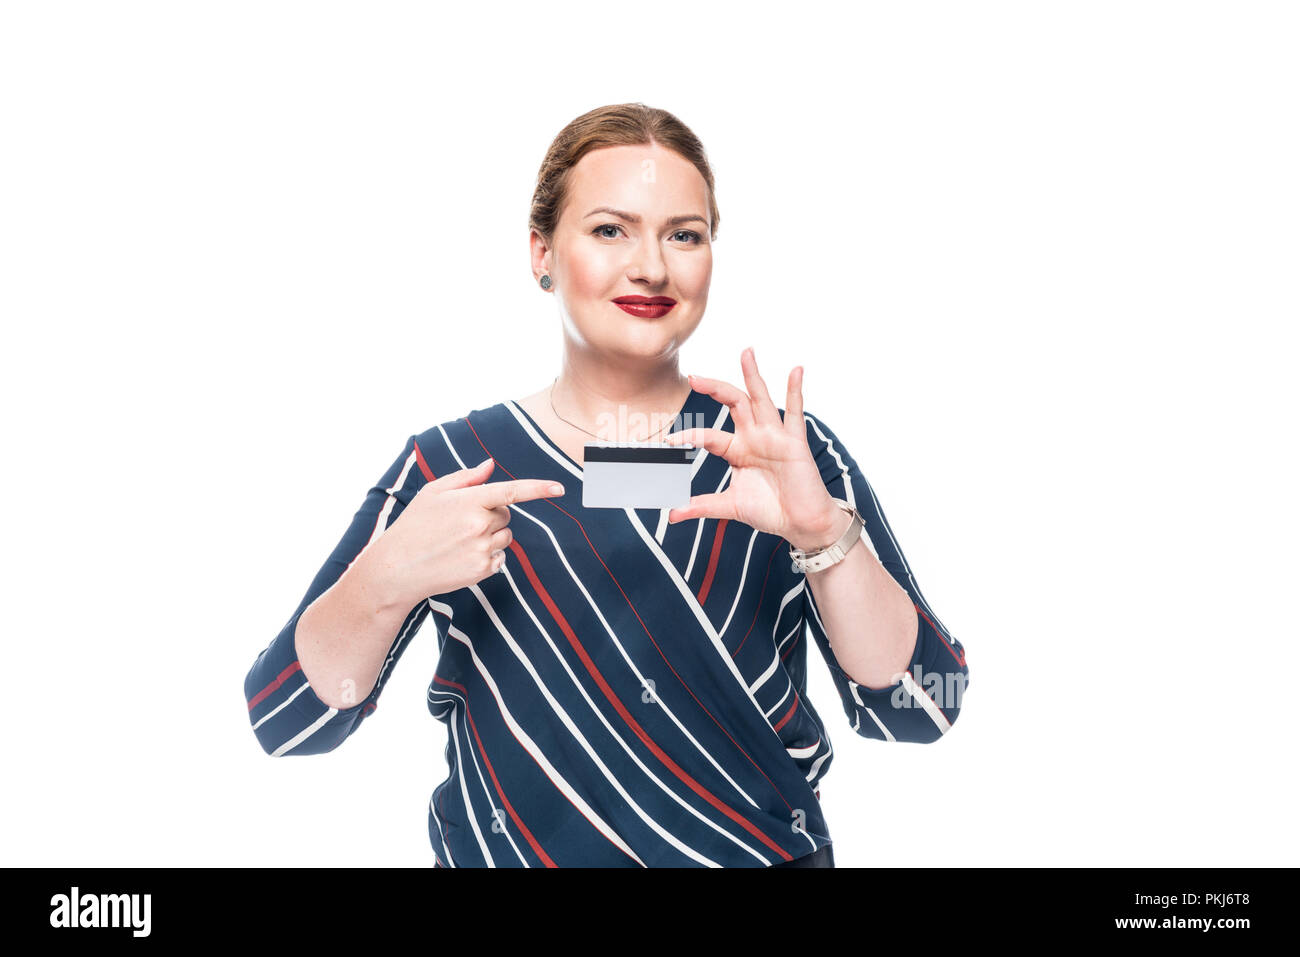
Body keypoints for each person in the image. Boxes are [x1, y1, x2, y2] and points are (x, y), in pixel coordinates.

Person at [243, 103, 969, 868]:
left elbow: (923, 707)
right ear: (541, 253)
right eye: (609, 229)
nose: (652, 266)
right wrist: (385, 580)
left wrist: (828, 540)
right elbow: (287, 720)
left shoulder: (785, 451)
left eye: (684, 234)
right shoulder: (452, 467)